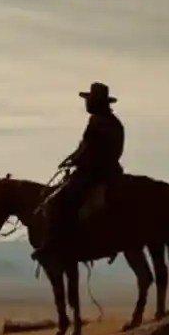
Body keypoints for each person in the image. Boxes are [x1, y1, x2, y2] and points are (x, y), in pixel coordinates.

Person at [32, 82, 125, 261]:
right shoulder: (113, 122)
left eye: (89, 100)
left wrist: (76, 160)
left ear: (97, 102)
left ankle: (55, 243)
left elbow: (88, 148)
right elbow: (87, 147)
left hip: (95, 172)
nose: (87, 104)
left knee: (58, 201)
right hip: (112, 170)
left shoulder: (98, 122)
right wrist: (71, 158)